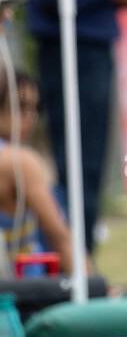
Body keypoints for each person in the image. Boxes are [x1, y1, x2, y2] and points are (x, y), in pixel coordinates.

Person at [23, 0, 127, 258]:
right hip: (70, 50)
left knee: (89, 167)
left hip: (92, 45)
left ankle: (82, 259)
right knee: (78, 164)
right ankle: (73, 263)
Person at [0, 66, 74, 276]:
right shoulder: (20, 162)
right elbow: (60, 237)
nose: (30, 117)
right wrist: (95, 293)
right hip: (21, 293)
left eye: (35, 108)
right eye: (20, 107)